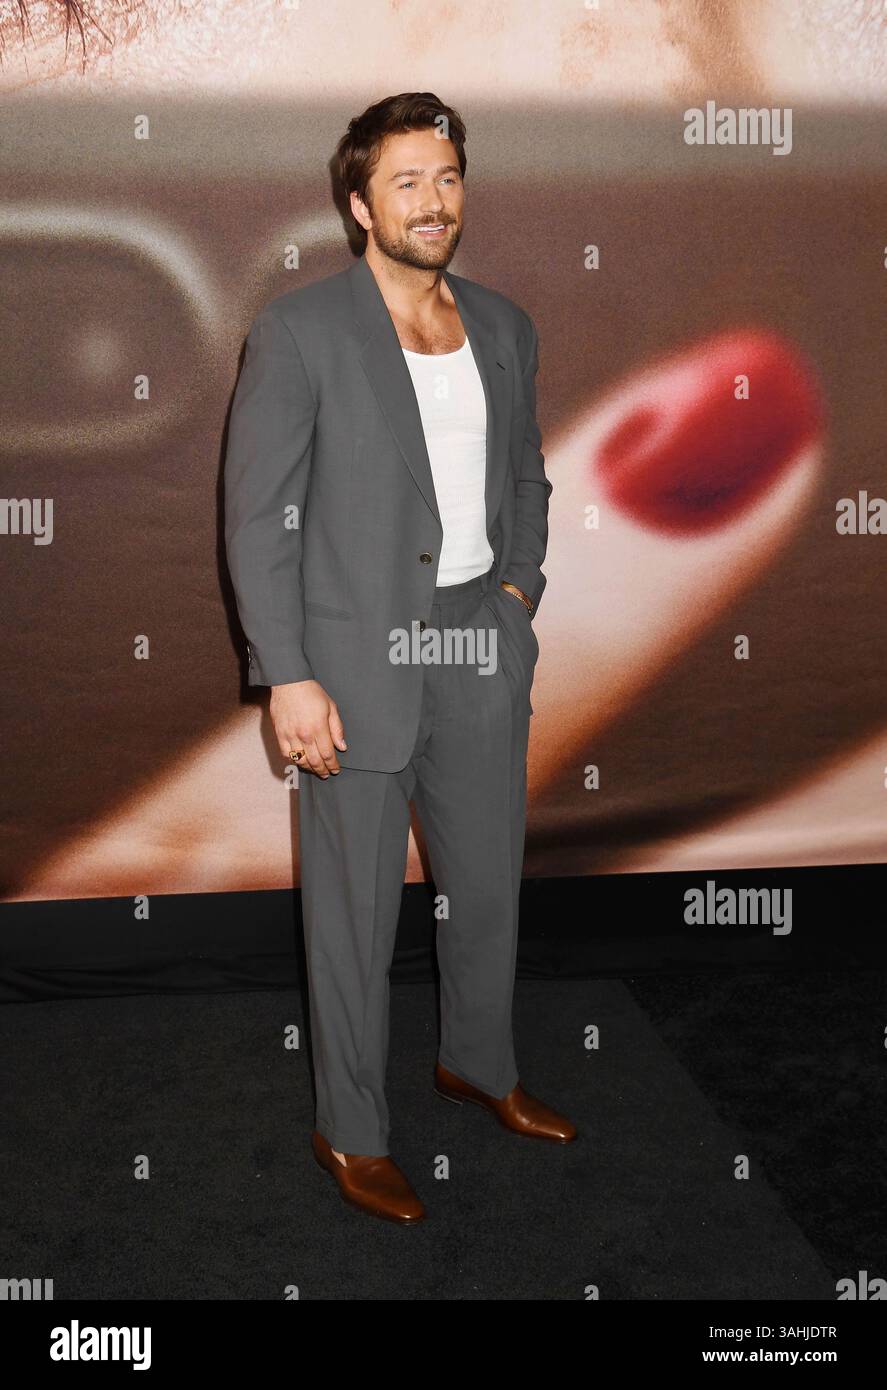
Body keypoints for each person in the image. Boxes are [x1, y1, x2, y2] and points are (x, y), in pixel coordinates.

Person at [224, 91, 576, 1226]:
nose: (434, 202)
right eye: (407, 183)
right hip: (349, 659)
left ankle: (478, 1063)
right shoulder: (299, 330)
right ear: (358, 205)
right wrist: (287, 672)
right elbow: (255, 517)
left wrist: (515, 600)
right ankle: (351, 1128)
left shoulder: (506, 325)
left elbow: (526, 476)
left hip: (478, 638)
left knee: (484, 890)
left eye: (448, 177)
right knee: (352, 914)